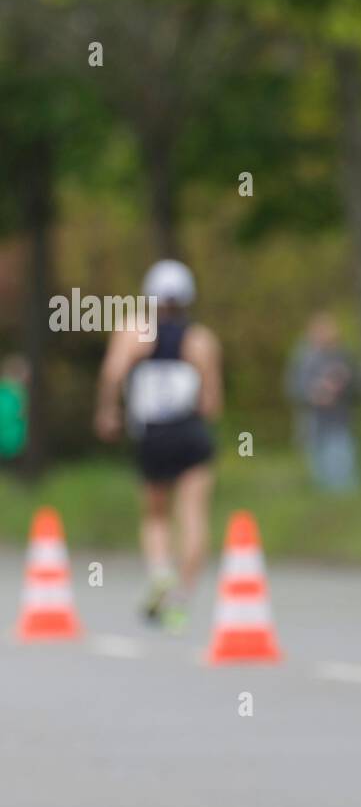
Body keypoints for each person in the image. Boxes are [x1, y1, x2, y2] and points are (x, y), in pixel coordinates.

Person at [94, 260, 221, 631]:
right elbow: (212, 403)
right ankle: (181, 597)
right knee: (194, 516)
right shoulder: (201, 340)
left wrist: (108, 412)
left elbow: (112, 374)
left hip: (153, 435)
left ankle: (161, 572)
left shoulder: (135, 331)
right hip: (191, 434)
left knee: (155, 514)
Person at [284, 312, 360, 491]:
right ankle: (324, 510)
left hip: (339, 424)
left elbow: (357, 386)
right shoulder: (303, 358)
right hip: (314, 424)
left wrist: (342, 383)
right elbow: (293, 388)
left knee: (342, 472)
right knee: (320, 476)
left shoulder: (342, 355)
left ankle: (342, 507)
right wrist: (314, 394)